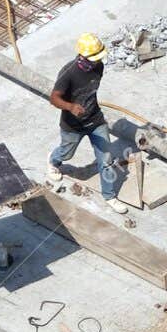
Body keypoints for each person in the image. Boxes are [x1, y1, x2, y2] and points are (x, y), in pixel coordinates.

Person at [48, 34, 127, 213]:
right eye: (94, 58)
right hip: (72, 125)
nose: (97, 62)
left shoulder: (99, 67)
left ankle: (109, 196)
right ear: (82, 56)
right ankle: (53, 161)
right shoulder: (68, 73)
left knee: (106, 160)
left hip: (95, 120)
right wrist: (70, 106)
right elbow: (53, 98)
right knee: (66, 154)